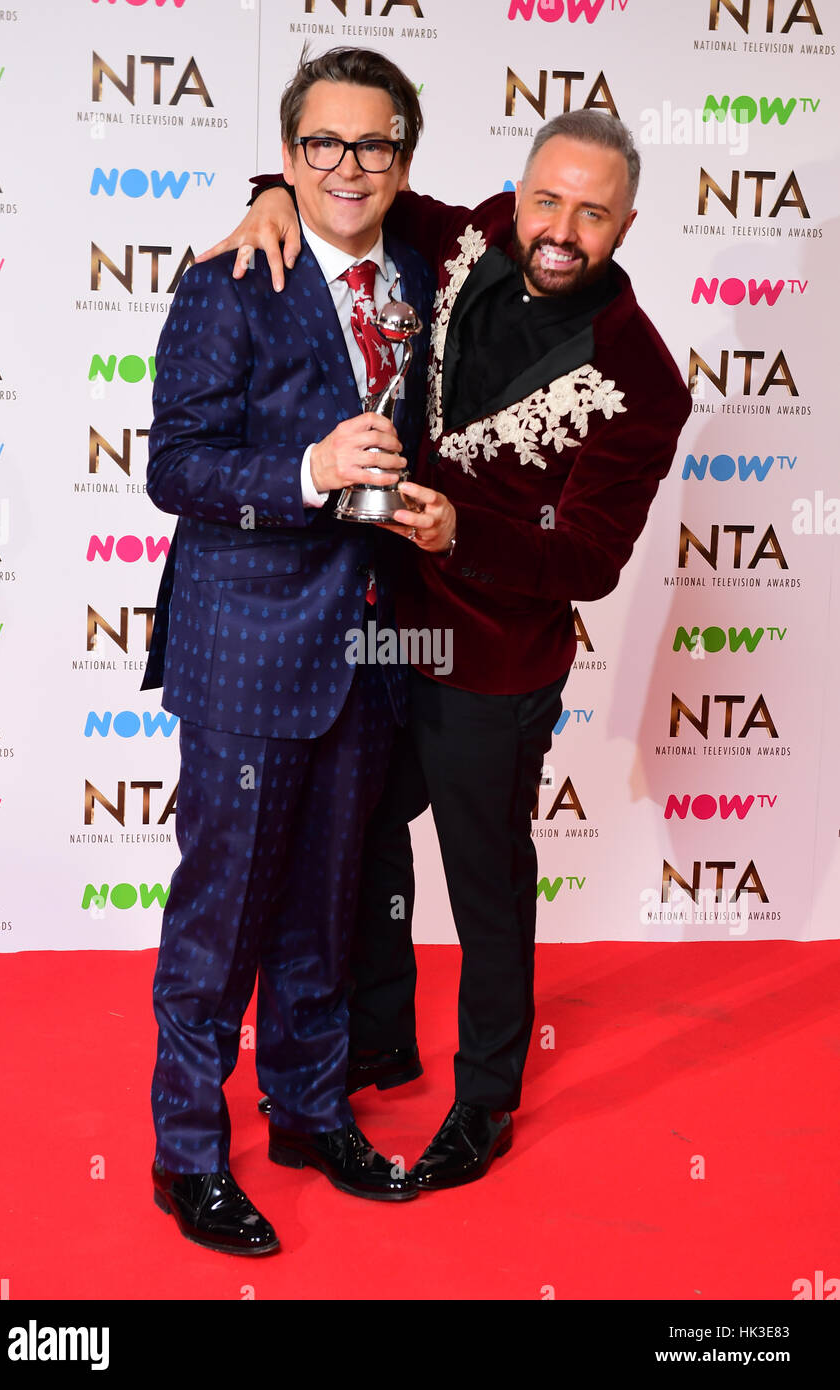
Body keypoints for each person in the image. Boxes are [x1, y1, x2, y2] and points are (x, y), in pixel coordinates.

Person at [203, 110, 692, 1191]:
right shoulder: (468, 234)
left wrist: (462, 533)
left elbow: (594, 558)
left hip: (496, 655)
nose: (559, 229)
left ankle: (486, 1100)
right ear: (515, 192)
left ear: (628, 222)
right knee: (360, 829)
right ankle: (377, 1038)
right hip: (379, 622)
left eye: (592, 212)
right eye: (546, 200)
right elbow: (355, 190)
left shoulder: (645, 380)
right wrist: (273, 193)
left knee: (485, 877)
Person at [140, 46, 454, 1256]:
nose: (346, 166)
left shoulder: (421, 279)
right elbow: (177, 464)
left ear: (402, 159)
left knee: (329, 908)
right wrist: (309, 471)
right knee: (222, 920)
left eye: (372, 143)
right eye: (320, 144)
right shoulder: (232, 280)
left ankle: (312, 1112)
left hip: (368, 648)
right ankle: (185, 1152)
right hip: (247, 648)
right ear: (286, 155)